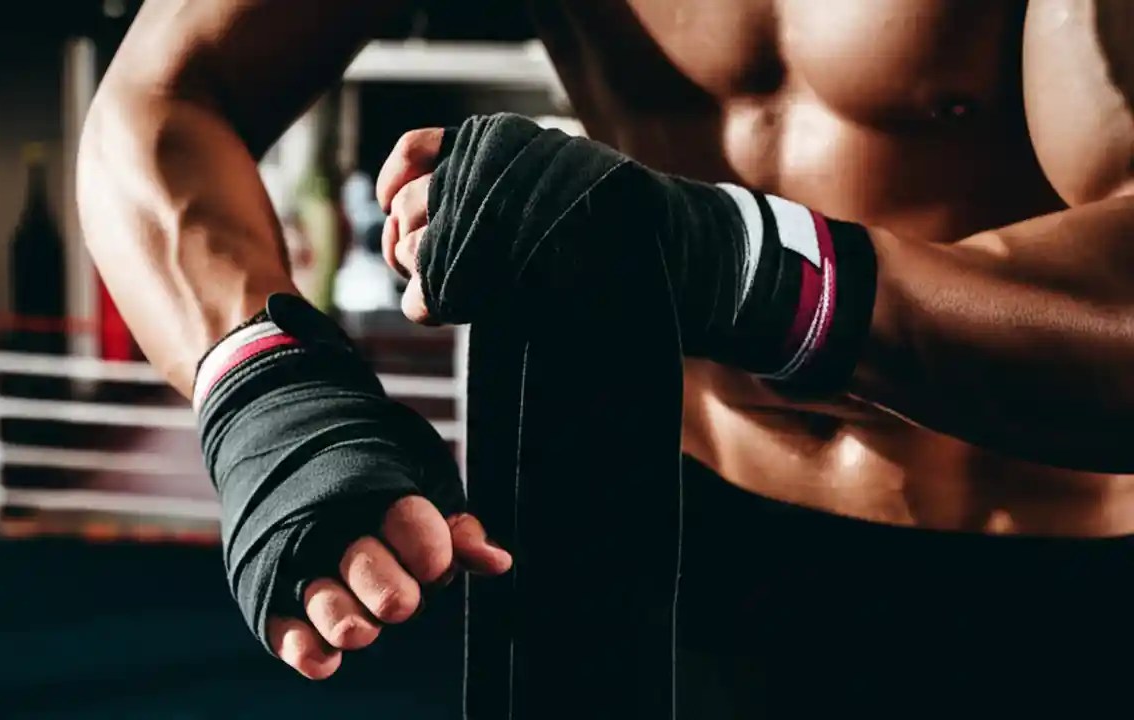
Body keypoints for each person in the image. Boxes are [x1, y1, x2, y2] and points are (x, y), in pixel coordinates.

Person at [78, 1, 1134, 716]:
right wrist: (269, 388)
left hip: (1058, 579)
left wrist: (733, 266)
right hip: (678, 538)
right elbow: (166, 92)